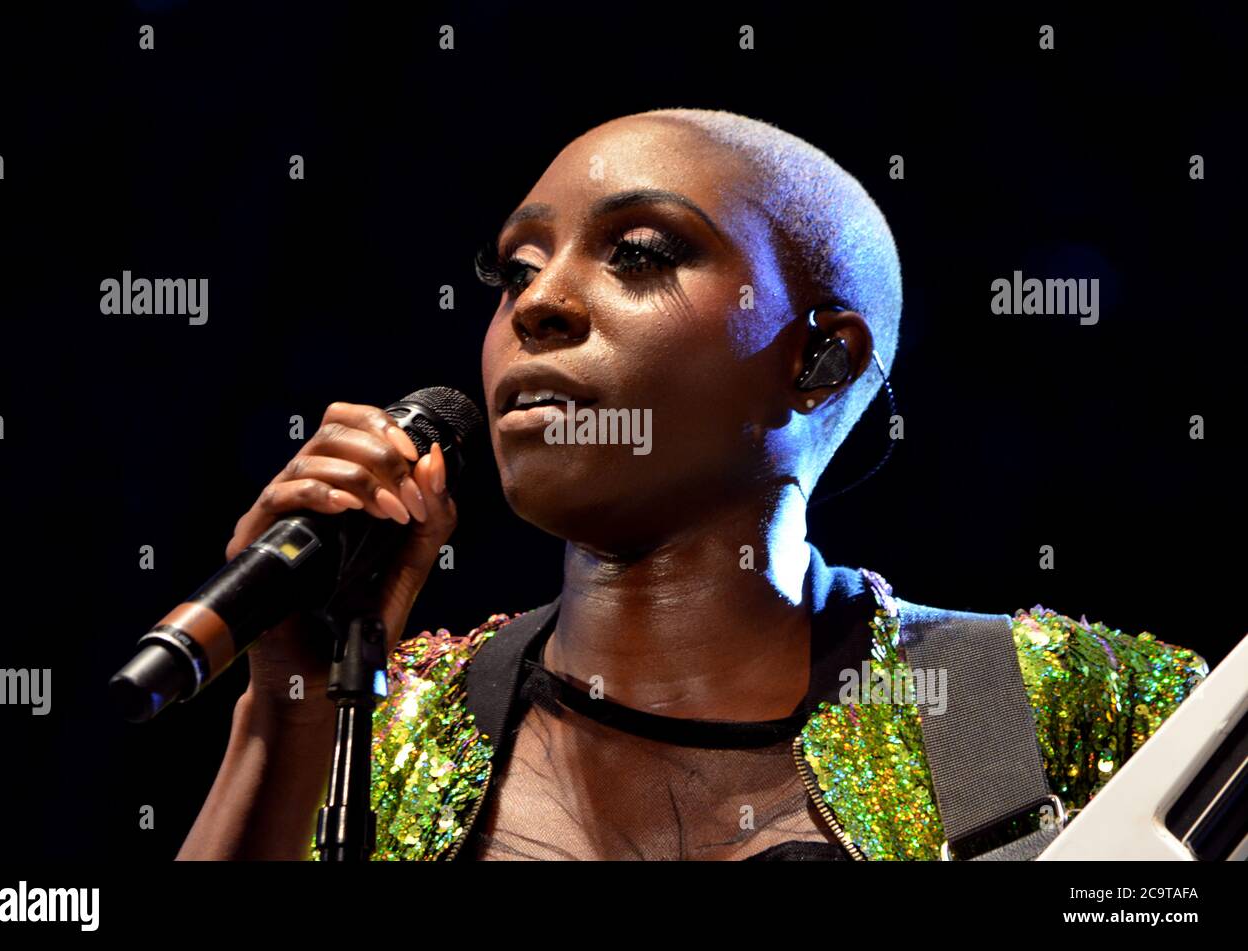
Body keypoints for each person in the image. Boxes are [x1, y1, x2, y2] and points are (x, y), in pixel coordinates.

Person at [177, 109, 1207, 861]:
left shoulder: (1026, 705)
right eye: (516, 268)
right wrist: (289, 704)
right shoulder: (384, 735)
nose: (539, 304)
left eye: (637, 252)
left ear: (819, 363)